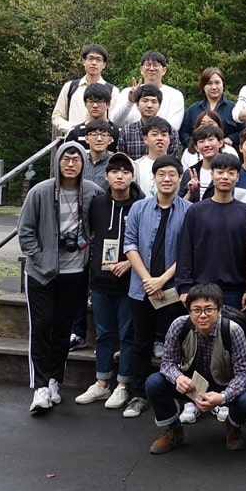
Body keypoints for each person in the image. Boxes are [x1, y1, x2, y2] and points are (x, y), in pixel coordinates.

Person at [18, 141, 103, 414]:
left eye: (76, 159)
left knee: (64, 328)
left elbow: (104, 220)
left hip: (75, 273)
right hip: (42, 274)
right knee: (42, 326)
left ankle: (55, 379)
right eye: (66, 159)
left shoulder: (92, 191)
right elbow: (25, 231)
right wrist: (40, 258)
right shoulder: (40, 192)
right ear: (57, 162)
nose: (70, 164)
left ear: (83, 163)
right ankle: (40, 386)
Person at [145, 283, 246, 454]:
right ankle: (174, 431)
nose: (202, 315)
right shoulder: (179, 325)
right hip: (189, 383)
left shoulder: (233, 330)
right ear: (189, 311)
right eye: (196, 310)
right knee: (154, 383)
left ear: (219, 310)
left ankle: (232, 426)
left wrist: (223, 397)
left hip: (223, 384)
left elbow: (244, 373)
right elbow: (167, 363)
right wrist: (177, 377)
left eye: (209, 309)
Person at [121, 155, 190, 419]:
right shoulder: (139, 208)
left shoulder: (189, 210)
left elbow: (188, 251)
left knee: (175, 346)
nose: (166, 179)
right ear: (154, 177)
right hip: (141, 289)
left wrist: (161, 280)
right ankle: (138, 394)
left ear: (180, 177)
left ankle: (174, 396)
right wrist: (148, 280)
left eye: (172, 174)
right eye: (161, 174)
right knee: (141, 343)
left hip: (173, 290)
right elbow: (129, 244)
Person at [75, 152, 143, 408]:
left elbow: (147, 242)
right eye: (114, 171)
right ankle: (102, 382)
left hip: (129, 283)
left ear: (132, 176)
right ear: (106, 176)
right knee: (103, 333)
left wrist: (130, 263)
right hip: (100, 281)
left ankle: (122, 385)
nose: (119, 176)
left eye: (125, 172)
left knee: (126, 335)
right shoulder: (97, 204)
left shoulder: (141, 205)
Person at [175, 152, 246, 311]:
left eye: (231, 173)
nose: (225, 177)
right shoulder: (196, 211)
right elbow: (185, 250)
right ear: (212, 175)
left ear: (237, 177)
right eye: (220, 172)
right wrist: (184, 287)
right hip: (200, 289)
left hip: (235, 291)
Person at [51, 43, 123, 138]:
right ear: (84, 62)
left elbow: (114, 120)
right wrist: (74, 129)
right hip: (74, 142)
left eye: (98, 59)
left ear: (104, 65)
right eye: (90, 58)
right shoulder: (70, 87)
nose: (94, 63)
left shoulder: (112, 90)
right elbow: (57, 117)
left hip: (101, 141)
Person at [121, 50, 185, 134]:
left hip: (161, 140)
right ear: (141, 69)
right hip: (131, 139)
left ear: (164, 70)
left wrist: (151, 137)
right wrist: (129, 102)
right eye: (148, 65)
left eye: (156, 65)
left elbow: (173, 127)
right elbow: (116, 122)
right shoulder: (127, 92)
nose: (151, 69)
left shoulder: (175, 95)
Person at [181, 67, 241, 146]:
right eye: (209, 83)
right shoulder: (193, 109)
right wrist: (194, 143)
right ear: (203, 86)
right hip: (197, 151)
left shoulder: (234, 108)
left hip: (225, 150)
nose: (214, 87)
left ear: (223, 85)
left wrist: (231, 139)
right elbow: (183, 133)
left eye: (217, 83)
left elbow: (243, 131)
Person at [122, 85, 176, 162]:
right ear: (137, 104)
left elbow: (173, 161)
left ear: (159, 106)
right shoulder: (127, 131)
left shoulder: (170, 131)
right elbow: (122, 161)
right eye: (145, 101)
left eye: (154, 102)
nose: (149, 105)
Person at [64, 84, 120, 154]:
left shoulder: (118, 132)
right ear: (85, 103)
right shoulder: (74, 132)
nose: (95, 106)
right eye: (91, 101)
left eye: (99, 102)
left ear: (108, 104)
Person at [133, 116, 176, 199]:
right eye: (155, 134)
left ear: (169, 139)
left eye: (164, 135)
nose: (159, 138)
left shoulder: (177, 166)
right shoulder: (136, 166)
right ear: (145, 139)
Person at [183, 122, 225, 203]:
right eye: (201, 141)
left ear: (220, 143)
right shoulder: (190, 172)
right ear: (196, 147)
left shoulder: (228, 172)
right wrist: (190, 193)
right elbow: (179, 205)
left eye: (210, 140)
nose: (206, 145)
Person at [79, 120, 116, 187]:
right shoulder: (80, 163)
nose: (99, 139)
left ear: (110, 140)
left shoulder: (115, 163)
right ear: (86, 139)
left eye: (103, 135)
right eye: (94, 135)